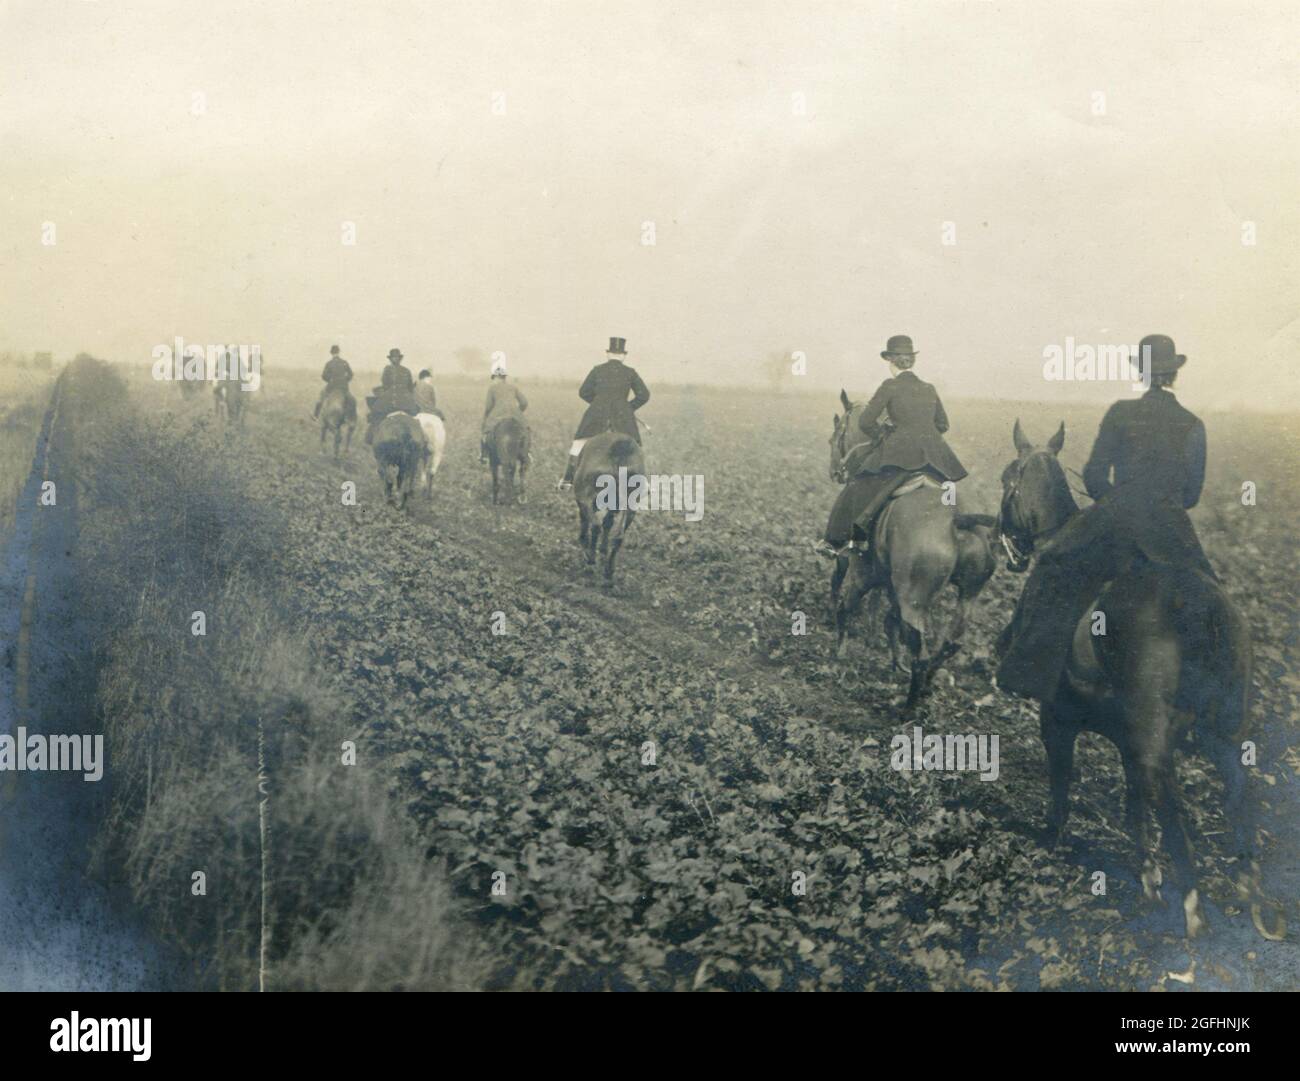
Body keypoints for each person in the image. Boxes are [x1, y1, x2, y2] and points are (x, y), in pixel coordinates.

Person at [995, 334, 1215, 701]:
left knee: (1053, 566)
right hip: (1171, 528)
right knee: (1208, 594)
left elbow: (1094, 475)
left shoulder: (1120, 412)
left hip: (1116, 518)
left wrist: (1116, 503)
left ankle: (1029, 674)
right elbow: (1190, 495)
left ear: (1142, 374)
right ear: (1174, 374)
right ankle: (1211, 702)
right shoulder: (1193, 424)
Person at [813, 335, 967, 559]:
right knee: (951, 497)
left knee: (857, 486)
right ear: (911, 361)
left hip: (900, 454)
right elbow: (943, 424)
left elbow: (866, 421)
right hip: (936, 458)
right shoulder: (929, 388)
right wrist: (925, 437)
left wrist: (886, 435)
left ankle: (833, 542)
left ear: (892, 361)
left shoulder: (889, 386)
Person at [556, 336, 650, 490]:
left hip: (596, 417)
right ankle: (642, 482)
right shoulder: (630, 372)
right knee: (636, 447)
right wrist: (627, 408)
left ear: (608, 354)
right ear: (623, 356)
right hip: (622, 419)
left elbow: (583, 392)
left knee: (578, 445)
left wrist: (598, 404)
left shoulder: (597, 370)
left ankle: (568, 479)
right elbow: (644, 395)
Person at [480, 357, 529, 465]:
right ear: (504, 377)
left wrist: (485, 419)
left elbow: (488, 407)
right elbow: (524, 402)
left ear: (496, 377)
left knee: (484, 434)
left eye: (494, 377)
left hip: (498, 416)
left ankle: (484, 456)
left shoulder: (492, 388)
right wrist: (518, 411)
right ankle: (527, 454)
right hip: (515, 415)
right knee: (526, 431)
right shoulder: (513, 387)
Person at [365, 348, 418, 445]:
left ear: (391, 359)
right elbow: (410, 387)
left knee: (376, 412)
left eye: (394, 357)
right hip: (406, 401)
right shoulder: (406, 370)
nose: (394, 359)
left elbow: (385, 384)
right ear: (400, 359)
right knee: (417, 414)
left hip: (390, 399)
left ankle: (371, 435)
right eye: (394, 357)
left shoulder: (387, 370)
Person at [313, 344, 356, 422]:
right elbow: (351, 374)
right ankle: (352, 418)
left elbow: (323, 376)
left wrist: (329, 380)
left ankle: (316, 416)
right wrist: (345, 380)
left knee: (320, 399)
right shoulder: (344, 362)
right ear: (339, 352)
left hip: (331, 387)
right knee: (352, 400)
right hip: (343, 387)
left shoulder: (329, 363)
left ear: (331, 353)